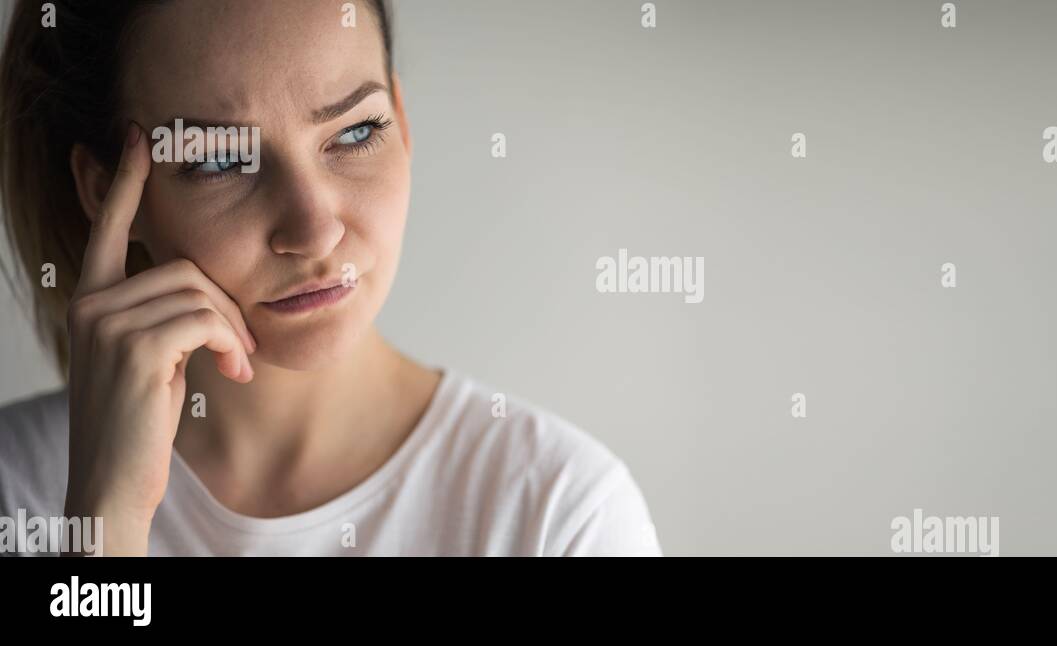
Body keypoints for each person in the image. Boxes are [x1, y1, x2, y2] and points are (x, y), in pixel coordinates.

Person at [0, 0, 660, 556]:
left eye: (355, 131)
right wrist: (105, 526)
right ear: (109, 192)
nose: (315, 231)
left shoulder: (559, 513)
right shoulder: (17, 488)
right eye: (222, 161)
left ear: (401, 120)